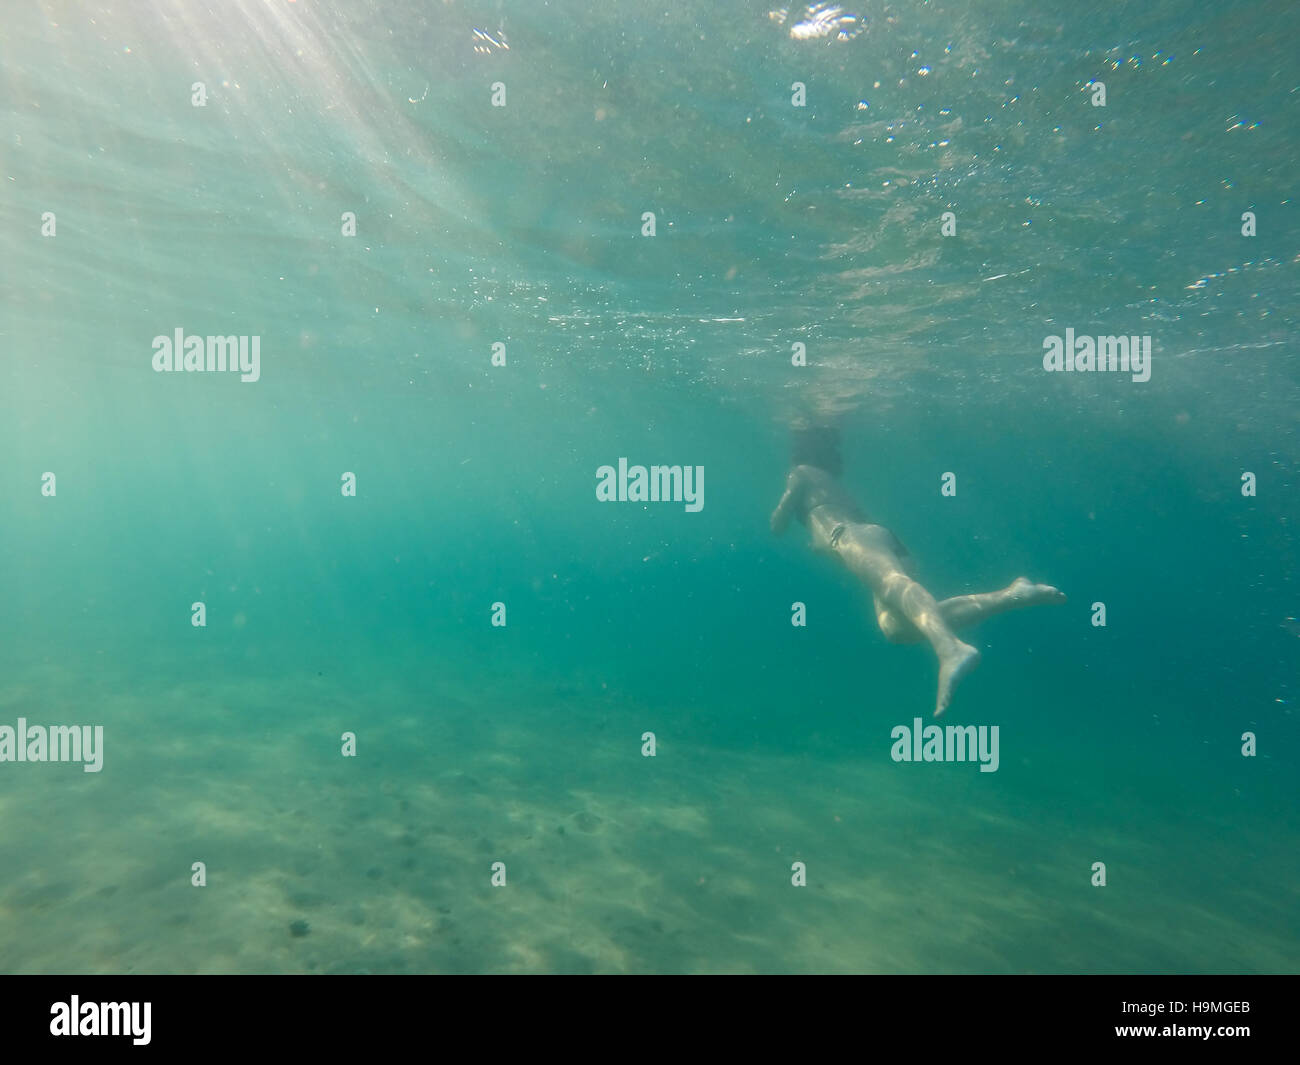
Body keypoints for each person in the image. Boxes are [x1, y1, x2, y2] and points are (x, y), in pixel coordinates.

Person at [771, 427, 1065, 716]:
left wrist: (791, 519)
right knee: (897, 629)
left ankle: (949, 650)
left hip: (849, 538)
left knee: (893, 585)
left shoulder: (800, 472)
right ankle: (1012, 595)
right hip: (877, 537)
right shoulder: (829, 482)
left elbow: (779, 523)